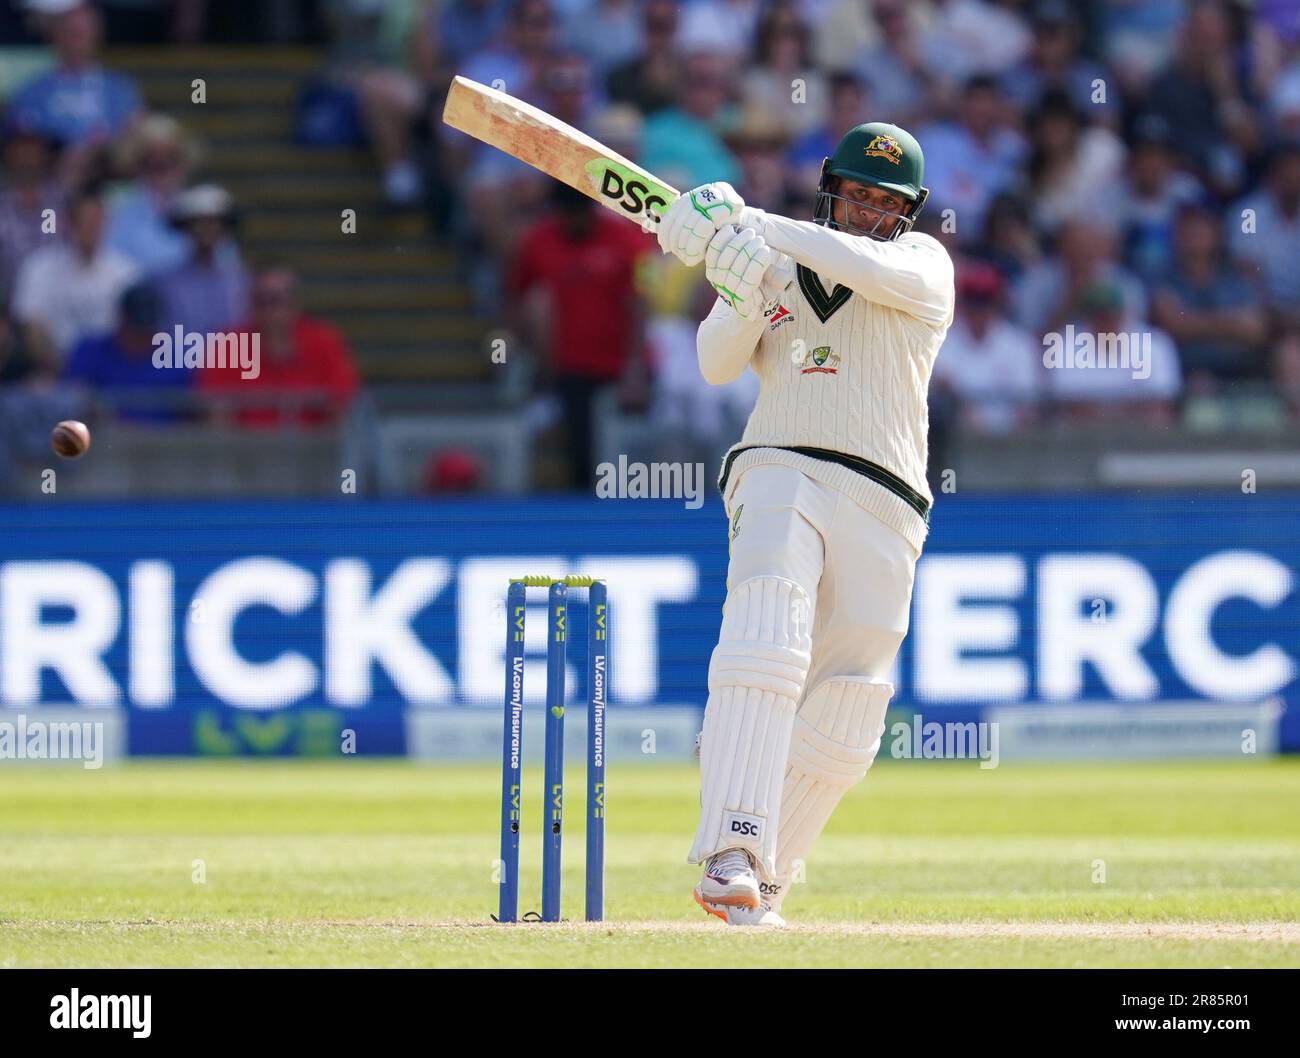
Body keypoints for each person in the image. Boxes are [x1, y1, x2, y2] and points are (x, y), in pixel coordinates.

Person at [656, 122, 954, 925]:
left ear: (907, 212)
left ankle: (768, 875)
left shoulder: (924, 265)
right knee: (766, 631)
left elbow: (858, 264)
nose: (864, 213)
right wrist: (740, 284)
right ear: (832, 188)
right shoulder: (773, 260)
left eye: (884, 202)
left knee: (852, 703)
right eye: (855, 194)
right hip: (780, 463)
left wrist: (745, 225)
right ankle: (730, 849)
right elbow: (716, 362)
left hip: (887, 495)